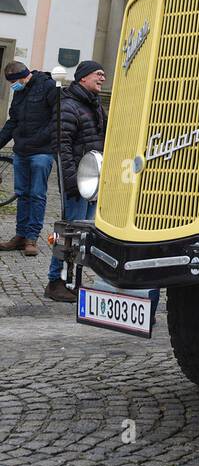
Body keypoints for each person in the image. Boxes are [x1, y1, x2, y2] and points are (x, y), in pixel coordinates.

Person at [47, 60, 107, 303]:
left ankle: (73, 280)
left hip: (92, 181)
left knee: (83, 234)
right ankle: (55, 281)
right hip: (78, 183)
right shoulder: (69, 106)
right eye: (98, 74)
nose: (102, 78)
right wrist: (73, 182)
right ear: (83, 77)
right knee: (68, 232)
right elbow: (62, 148)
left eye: (103, 74)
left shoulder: (93, 105)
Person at [0, 61, 58, 259]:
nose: (13, 86)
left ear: (24, 76)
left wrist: (40, 139)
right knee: (22, 193)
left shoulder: (48, 86)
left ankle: (32, 238)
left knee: (37, 194)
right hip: (21, 151)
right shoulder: (20, 91)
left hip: (41, 151)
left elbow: (56, 119)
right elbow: (13, 121)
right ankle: (20, 235)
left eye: (14, 82)